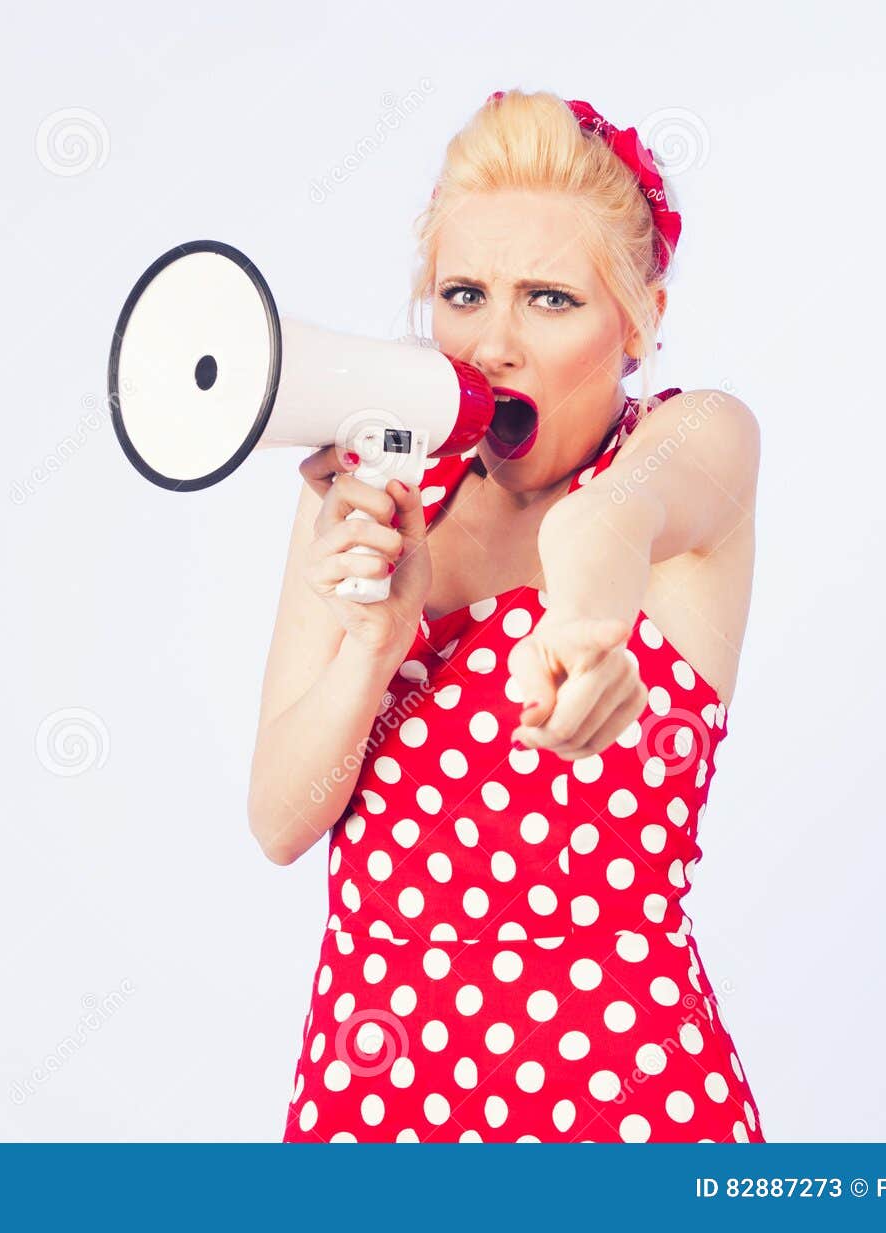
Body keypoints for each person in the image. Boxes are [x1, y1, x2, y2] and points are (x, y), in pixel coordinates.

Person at [247, 89, 764, 1142]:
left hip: (628, 1111)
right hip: (372, 1105)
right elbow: (278, 821)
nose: (492, 345)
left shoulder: (699, 439)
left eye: (550, 300)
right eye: (464, 293)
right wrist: (373, 645)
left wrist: (580, 629)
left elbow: (612, 521)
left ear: (641, 318)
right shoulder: (374, 500)